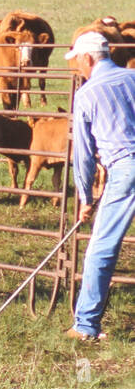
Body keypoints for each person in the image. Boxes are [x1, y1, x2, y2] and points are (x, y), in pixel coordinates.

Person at [66, 31, 135, 341]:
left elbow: (82, 154)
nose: (77, 68)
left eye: (78, 62)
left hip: (126, 168)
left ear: (88, 58)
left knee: (101, 247)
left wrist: (85, 196)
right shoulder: (132, 78)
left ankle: (85, 326)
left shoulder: (87, 93)